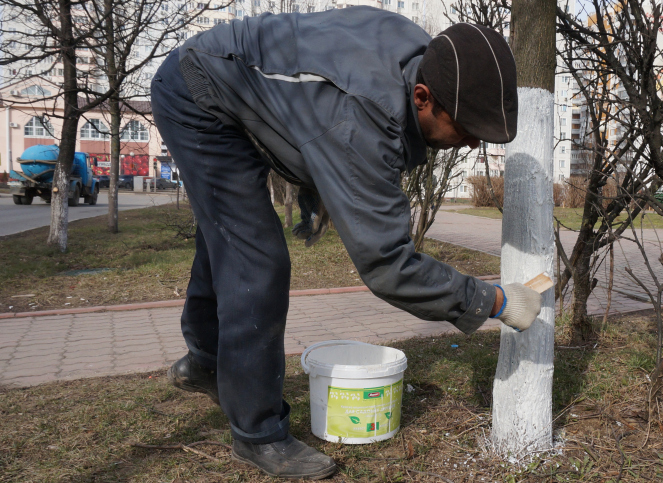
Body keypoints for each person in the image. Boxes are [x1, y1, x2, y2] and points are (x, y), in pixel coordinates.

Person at [150, 7, 542, 480]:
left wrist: (319, 183)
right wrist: (494, 300)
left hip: (231, 81)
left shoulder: (420, 58)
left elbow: (312, 94)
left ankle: (207, 362)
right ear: (423, 97)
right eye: (465, 129)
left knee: (228, 237)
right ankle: (258, 435)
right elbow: (389, 265)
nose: (471, 145)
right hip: (199, 94)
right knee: (256, 262)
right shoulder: (365, 118)